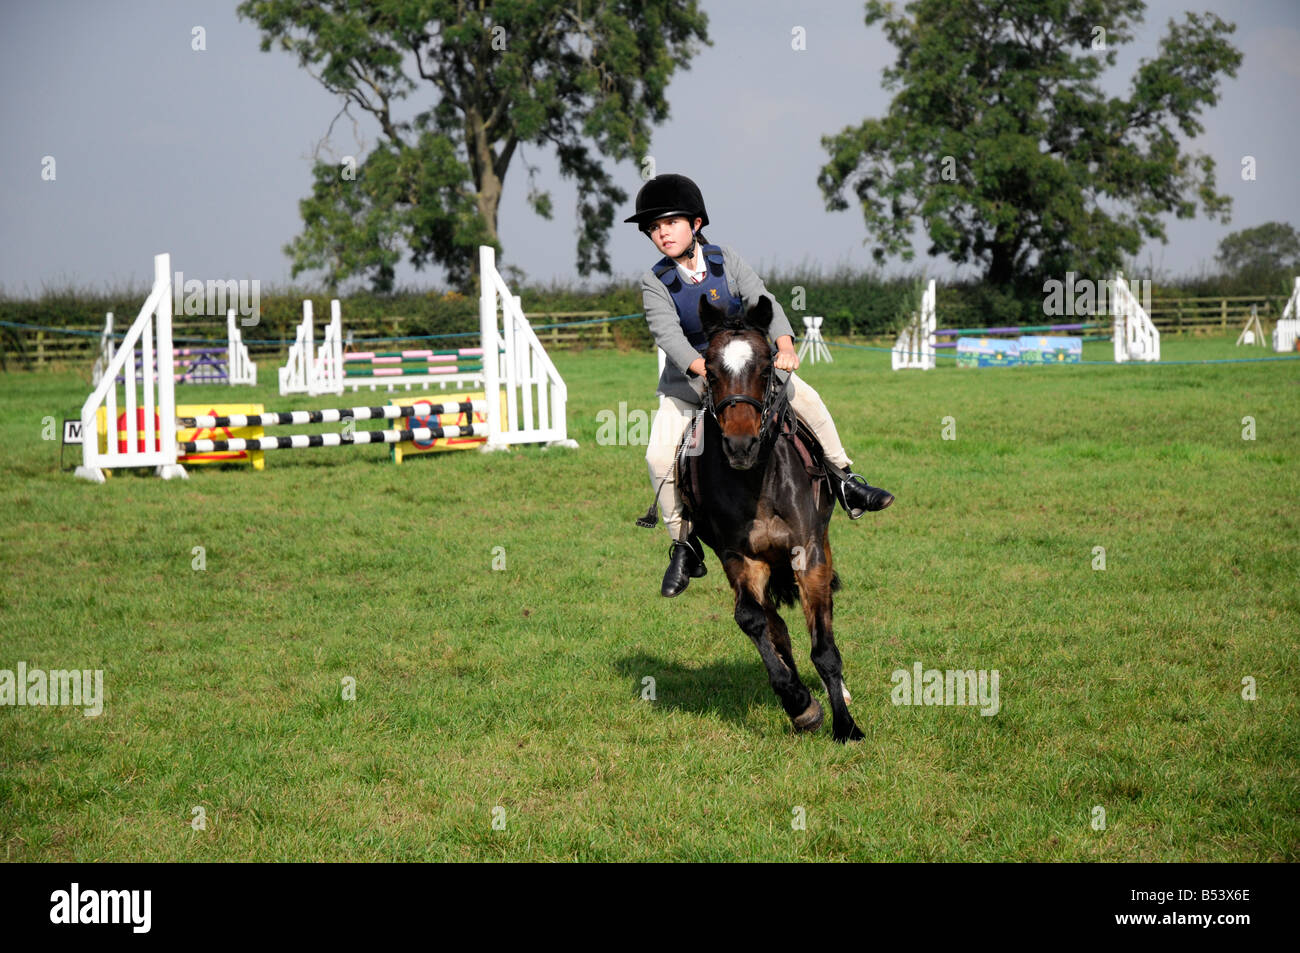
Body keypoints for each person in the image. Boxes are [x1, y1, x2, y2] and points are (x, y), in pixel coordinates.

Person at [628, 173, 894, 598]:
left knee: (809, 398)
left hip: (748, 373)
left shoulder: (726, 258)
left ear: (695, 224)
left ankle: (846, 480)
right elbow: (669, 337)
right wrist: (708, 369)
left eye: (670, 223)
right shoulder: (654, 281)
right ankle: (684, 544)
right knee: (658, 456)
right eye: (654, 228)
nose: (661, 233)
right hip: (692, 381)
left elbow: (762, 298)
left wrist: (785, 346)